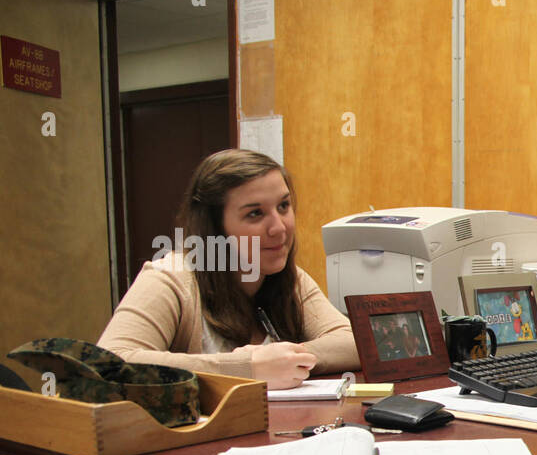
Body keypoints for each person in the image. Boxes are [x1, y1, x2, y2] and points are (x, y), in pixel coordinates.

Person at [98, 149, 360, 389]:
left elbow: (354, 343)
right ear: (215, 226)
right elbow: (110, 363)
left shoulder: (291, 278)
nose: (279, 227)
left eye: (283, 206)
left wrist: (286, 360)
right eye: (255, 214)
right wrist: (247, 368)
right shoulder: (169, 278)